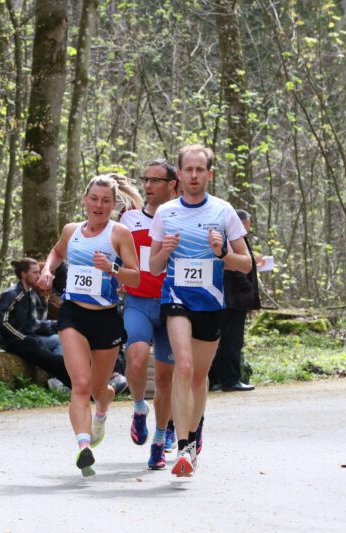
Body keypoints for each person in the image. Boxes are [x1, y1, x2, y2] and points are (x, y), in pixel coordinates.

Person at [149, 144, 252, 477]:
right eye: (188, 170)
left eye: (200, 170)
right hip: (176, 297)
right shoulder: (166, 213)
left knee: (198, 376)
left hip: (210, 302)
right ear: (178, 174)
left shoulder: (224, 212)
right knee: (184, 364)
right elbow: (152, 268)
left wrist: (221, 254)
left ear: (209, 173)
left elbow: (246, 263)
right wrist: (165, 251)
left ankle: (194, 431)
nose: (193, 175)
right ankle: (182, 447)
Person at [37, 174, 141, 477]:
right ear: (85, 199)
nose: (98, 205)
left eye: (105, 200)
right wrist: (46, 270)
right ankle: (84, 448)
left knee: (99, 387)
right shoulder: (72, 231)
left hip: (106, 318)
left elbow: (135, 276)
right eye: (93, 199)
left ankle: (103, 406)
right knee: (81, 385)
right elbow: (57, 252)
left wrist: (113, 268)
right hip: (73, 314)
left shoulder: (119, 233)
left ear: (113, 203)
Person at [118, 159, 179, 470]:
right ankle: (139, 407)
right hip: (138, 300)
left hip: (172, 305)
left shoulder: (182, 217)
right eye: (146, 180)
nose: (149, 186)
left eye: (156, 180)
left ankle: (159, 440)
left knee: (166, 378)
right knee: (137, 358)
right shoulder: (128, 219)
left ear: (172, 185)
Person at [0, 257, 71, 389]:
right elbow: (1, 322)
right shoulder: (12, 294)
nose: (38, 276)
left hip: (28, 339)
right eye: (35, 273)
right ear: (24, 274)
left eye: (39, 272)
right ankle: (75, 386)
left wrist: (54, 326)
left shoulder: (29, 293)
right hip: (15, 342)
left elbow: (30, 323)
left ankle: (80, 386)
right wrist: (23, 339)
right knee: (52, 360)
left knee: (55, 358)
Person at [209, 209, 260, 392]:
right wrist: (248, 289)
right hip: (233, 297)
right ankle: (229, 379)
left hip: (232, 297)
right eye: (247, 223)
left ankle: (218, 378)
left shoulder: (235, 240)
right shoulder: (229, 239)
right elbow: (235, 267)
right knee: (231, 340)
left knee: (226, 339)